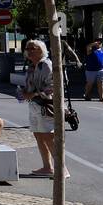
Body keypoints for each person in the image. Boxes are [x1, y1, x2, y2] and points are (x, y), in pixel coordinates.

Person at [22, 38, 68, 179]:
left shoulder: (46, 65)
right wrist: (24, 93)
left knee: (49, 136)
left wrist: (35, 93)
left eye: (32, 48)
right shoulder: (32, 66)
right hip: (34, 105)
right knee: (38, 135)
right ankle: (47, 167)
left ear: (41, 50)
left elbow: (53, 86)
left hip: (46, 105)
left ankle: (62, 169)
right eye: (27, 49)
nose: (29, 51)